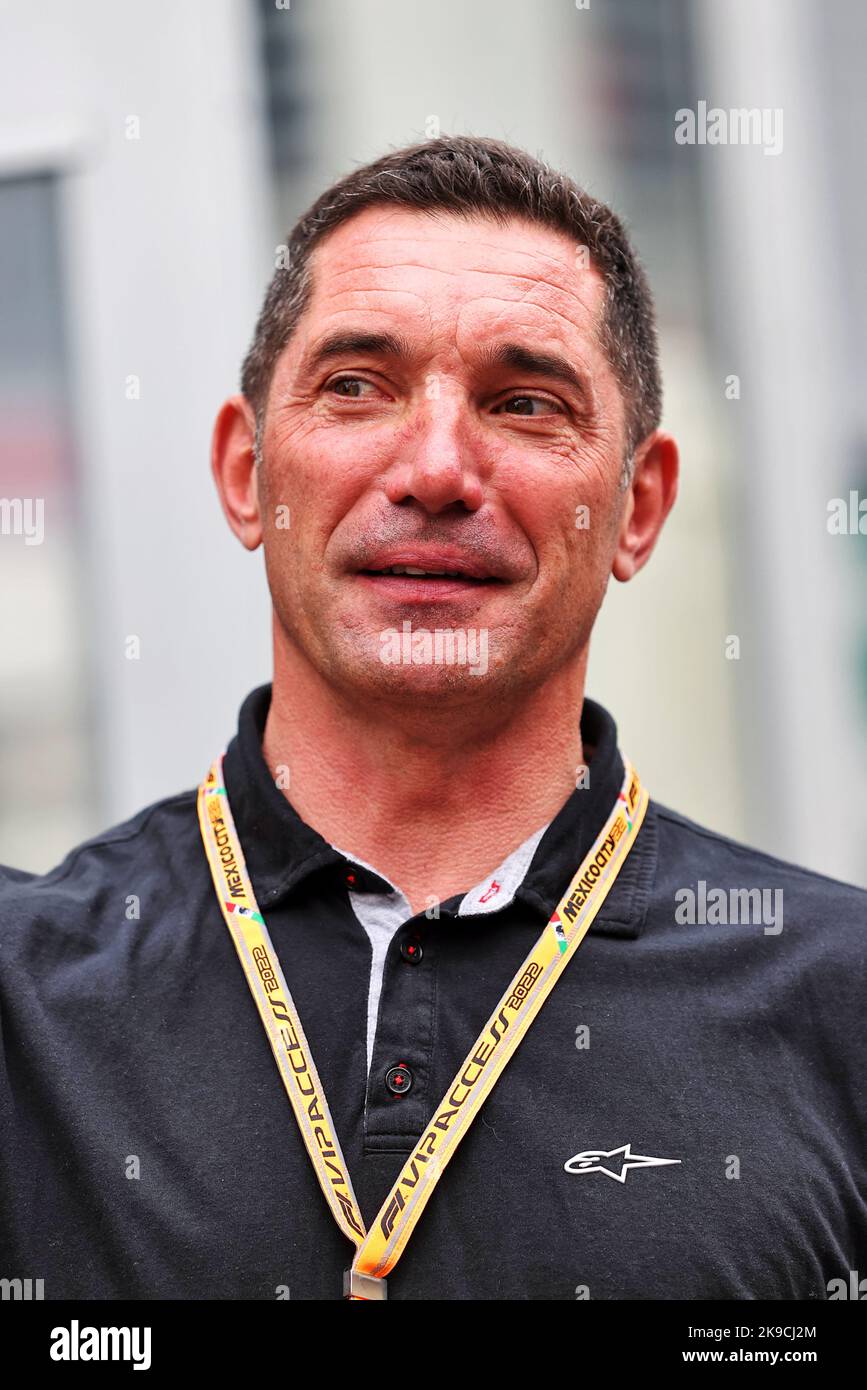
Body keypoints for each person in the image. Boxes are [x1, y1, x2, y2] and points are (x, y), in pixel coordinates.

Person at [1, 135, 864, 1302]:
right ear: (248, 470)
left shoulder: (840, 999)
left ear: (637, 507)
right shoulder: (25, 1001)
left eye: (524, 402)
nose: (439, 468)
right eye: (357, 384)